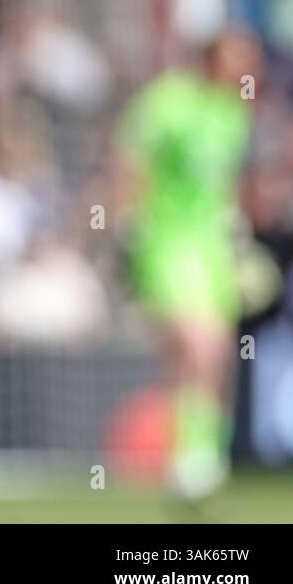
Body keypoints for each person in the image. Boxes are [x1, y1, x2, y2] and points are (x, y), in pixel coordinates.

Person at [115, 28, 259, 500]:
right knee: (195, 344)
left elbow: (226, 185)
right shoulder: (168, 102)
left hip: (211, 246)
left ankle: (197, 456)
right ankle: (189, 459)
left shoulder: (233, 112)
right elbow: (131, 161)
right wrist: (125, 226)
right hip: (167, 239)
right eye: (238, 58)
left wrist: (238, 237)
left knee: (213, 352)